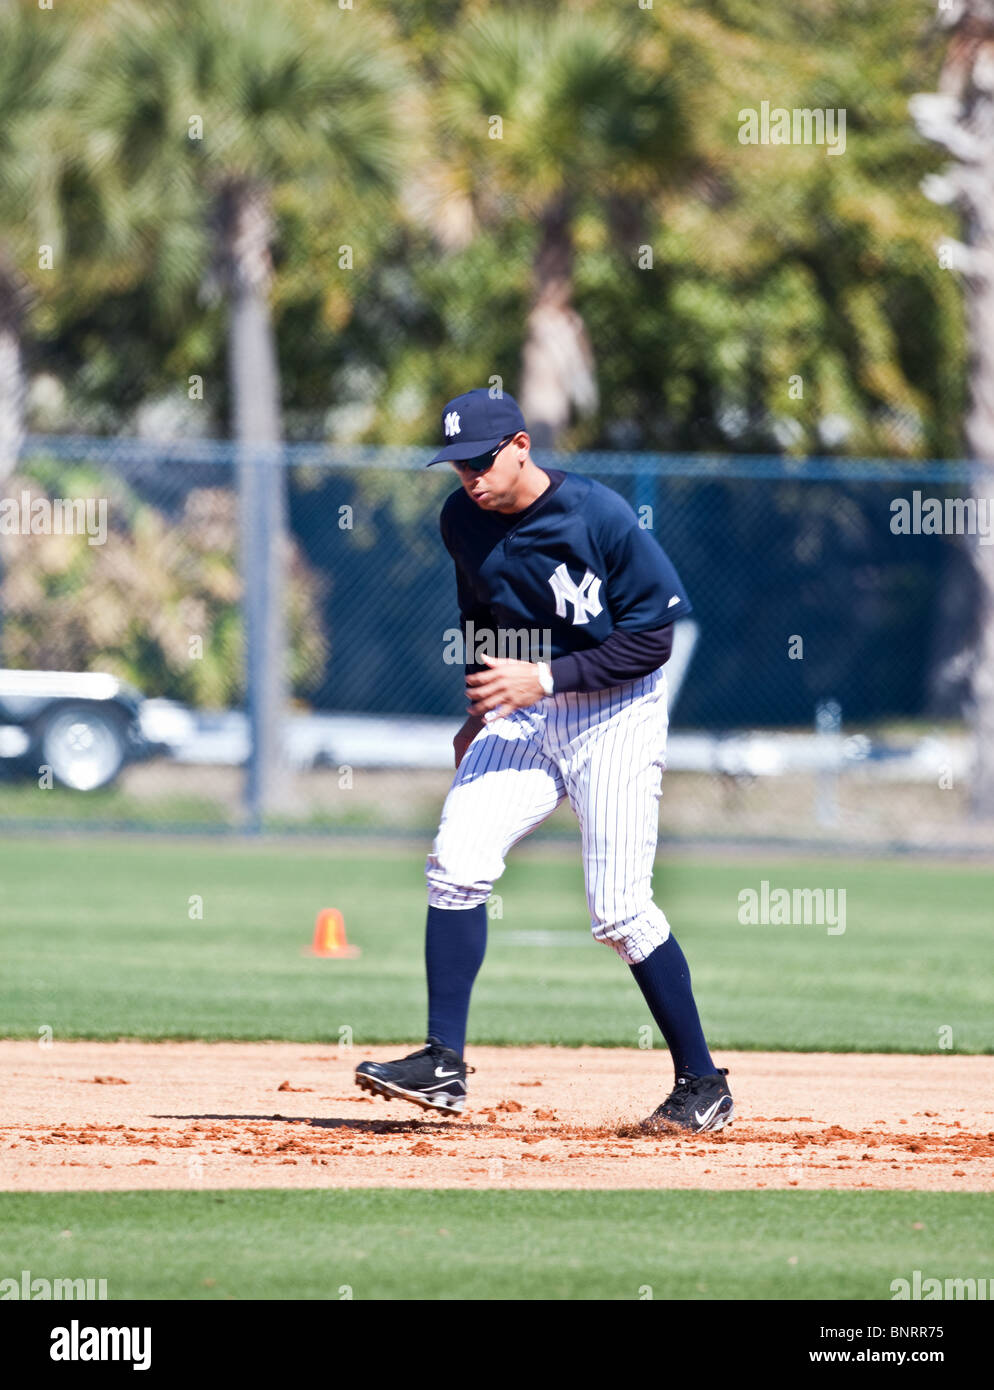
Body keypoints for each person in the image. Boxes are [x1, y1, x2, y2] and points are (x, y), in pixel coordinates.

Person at [356, 388, 733, 1134]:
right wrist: (477, 713)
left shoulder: (598, 515)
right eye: (457, 464)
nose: (470, 476)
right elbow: (481, 618)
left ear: (521, 446)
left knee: (620, 912)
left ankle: (703, 1083)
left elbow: (653, 640)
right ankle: (443, 1062)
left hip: (615, 715)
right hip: (523, 711)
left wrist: (547, 678)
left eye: (481, 460)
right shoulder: (461, 519)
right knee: (455, 862)